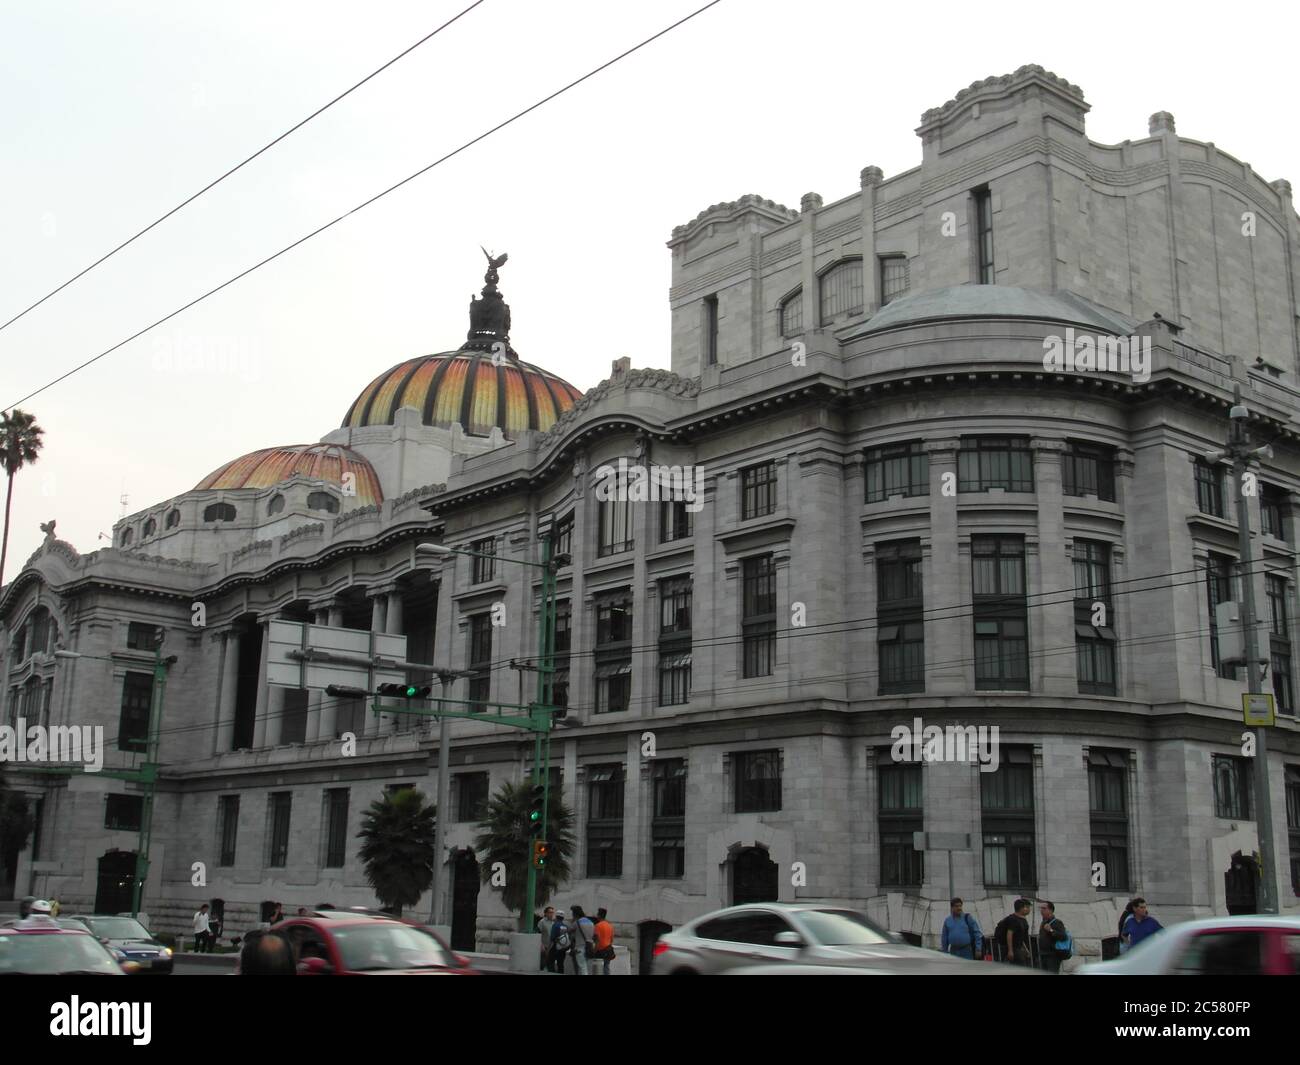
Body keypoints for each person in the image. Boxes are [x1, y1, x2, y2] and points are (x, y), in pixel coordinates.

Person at [992, 898, 1032, 965]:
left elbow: (1020, 937)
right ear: (1021, 908)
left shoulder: (1023, 920)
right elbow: (1009, 934)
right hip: (1014, 949)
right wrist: (1010, 951)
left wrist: (1026, 949)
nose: (1029, 910)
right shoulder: (1013, 919)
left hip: (1018, 948)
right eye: (1027, 907)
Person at [1037, 901, 1070, 974]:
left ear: (1051, 910)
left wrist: (1051, 930)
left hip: (1053, 956)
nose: (1041, 910)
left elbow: (1064, 937)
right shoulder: (1044, 922)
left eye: (1044, 908)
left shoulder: (1057, 922)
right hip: (1043, 955)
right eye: (1041, 908)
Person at [569, 906, 596, 975]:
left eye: (572, 913)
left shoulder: (577, 922)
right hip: (590, 947)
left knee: (582, 967)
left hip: (580, 947)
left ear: (575, 914)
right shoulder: (590, 922)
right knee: (587, 967)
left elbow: (569, 930)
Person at [592, 908, 615, 976]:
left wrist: (594, 950)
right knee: (606, 967)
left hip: (600, 951)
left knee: (597, 969)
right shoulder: (610, 926)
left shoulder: (597, 926)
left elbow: (597, 940)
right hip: (609, 949)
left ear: (599, 915)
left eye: (597, 914)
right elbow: (611, 940)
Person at [538, 907, 556, 971]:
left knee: (551, 964)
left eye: (552, 912)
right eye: (550, 912)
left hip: (551, 946)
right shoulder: (542, 922)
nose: (551, 914)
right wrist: (541, 944)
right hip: (544, 946)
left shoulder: (553, 922)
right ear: (546, 913)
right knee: (542, 964)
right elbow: (538, 933)